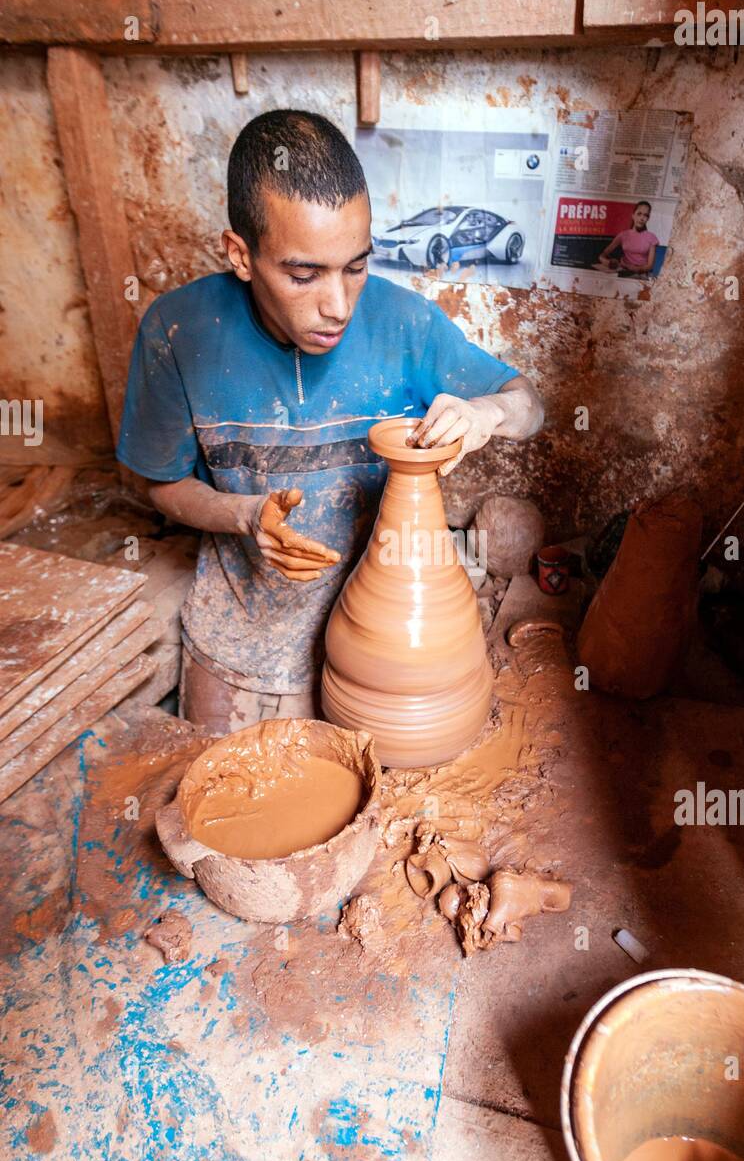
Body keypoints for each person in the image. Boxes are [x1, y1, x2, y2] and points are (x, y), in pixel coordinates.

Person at [117, 110, 544, 733]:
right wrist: (243, 516)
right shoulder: (178, 331)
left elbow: (530, 406)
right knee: (225, 800)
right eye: (302, 274)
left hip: (382, 619)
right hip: (243, 621)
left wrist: (488, 412)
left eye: (356, 265)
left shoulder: (404, 324)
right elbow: (157, 484)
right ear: (240, 255)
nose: (338, 304)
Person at [597, 200, 659, 275]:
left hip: (641, 274)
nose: (642, 218)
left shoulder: (652, 237)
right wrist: (607, 262)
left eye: (645, 215)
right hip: (622, 270)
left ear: (648, 218)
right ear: (633, 215)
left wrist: (636, 269)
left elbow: (650, 266)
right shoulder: (623, 235)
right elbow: (602, 255)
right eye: (639, 214)